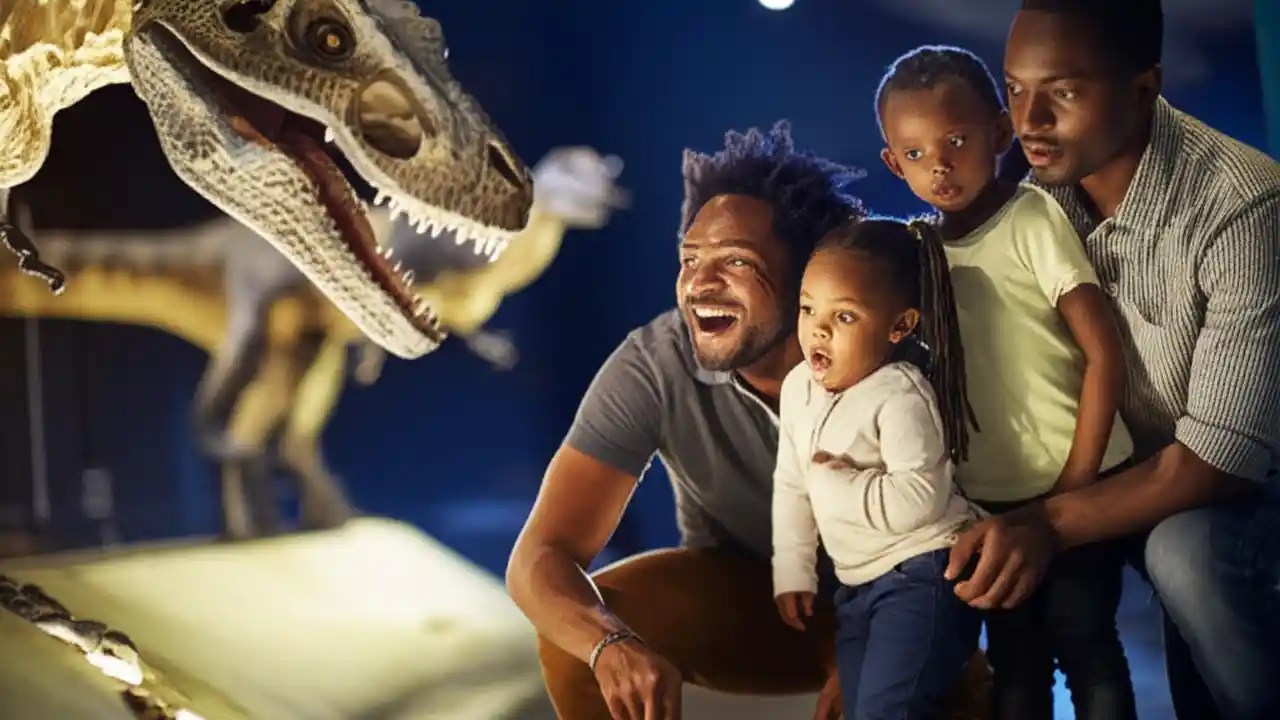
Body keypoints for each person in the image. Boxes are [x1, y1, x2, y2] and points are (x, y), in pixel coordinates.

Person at [505, 120, 989, 720]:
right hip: (760, 596)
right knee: (579, 629)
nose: (700, 284)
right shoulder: (657, 363)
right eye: (689, 259)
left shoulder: (904, 359)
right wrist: (610, 646)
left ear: (811, 274)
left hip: (910, 598)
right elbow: (541, 554)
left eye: (736, 261)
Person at [943, 1, 1280, 718]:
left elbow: (1219, 462)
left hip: (1247, 488)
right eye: (1014, 88)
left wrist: (1048, 520)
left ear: (1143, 88)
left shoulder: (1245, 205)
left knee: (1183, 552)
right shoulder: (1029, 205)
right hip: (1119, 475)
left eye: (1061, 92)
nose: (1028, 120)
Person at [876, 45, 1138, 719]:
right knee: (1014, 662)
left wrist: (1077, 492)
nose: (938, 165)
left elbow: (1104, 352)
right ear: (891, 163)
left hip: (1077, 481)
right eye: (913, 154)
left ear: (999, 134)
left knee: (1086, 641)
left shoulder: (1030, 218)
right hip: (988, 503)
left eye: (956, 141)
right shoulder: (922, 257)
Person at [772, 216, 984, 719]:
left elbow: (920, 499)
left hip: (922, 575)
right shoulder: (798, 387)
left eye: (844, 317)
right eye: (808, 308)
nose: (817, 328)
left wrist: (840, 482)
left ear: (900, 325)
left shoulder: (899, 394)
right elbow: (791, 482)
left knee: (890, 712)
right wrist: (793, 570)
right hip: (856, 585)